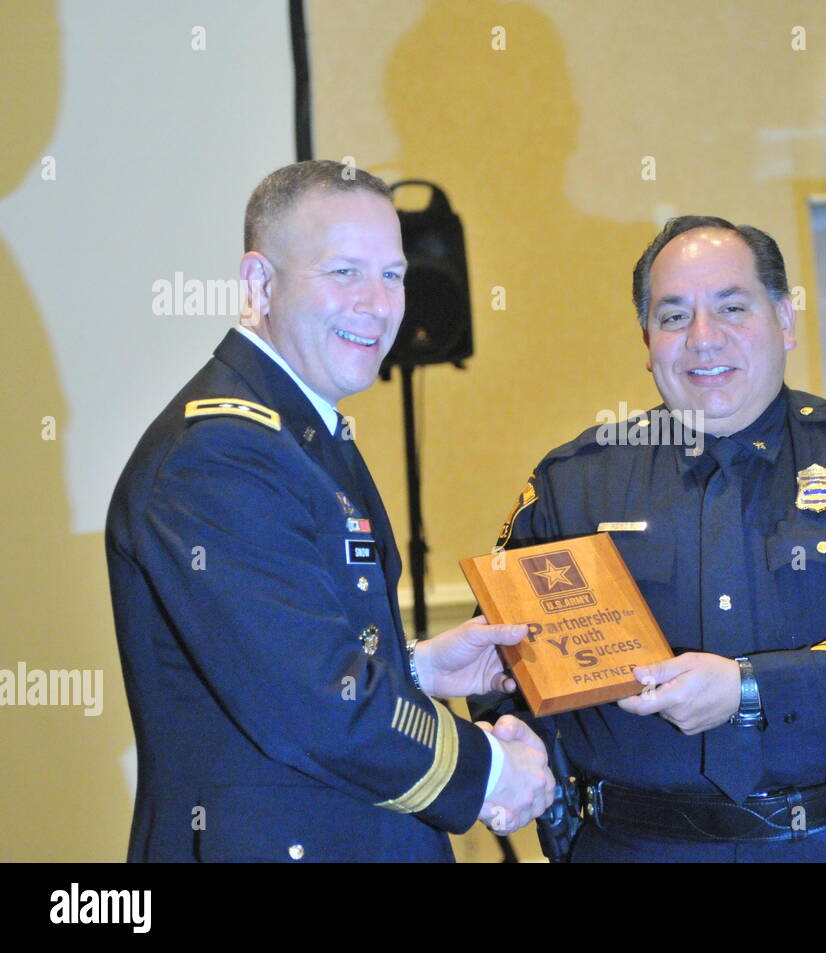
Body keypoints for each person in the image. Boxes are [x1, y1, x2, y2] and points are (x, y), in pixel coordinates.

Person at [490, 216, 826, 861]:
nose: (703, 339)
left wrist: (755, 688)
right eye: (674, 317)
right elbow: (506, 655)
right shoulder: (575, 484)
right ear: (648, 342)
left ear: (785, 321)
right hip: (636, 846)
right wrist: (515, 742)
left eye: (731, 307)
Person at [106, 159, 552, 862]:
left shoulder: (299, 430)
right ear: (260, 284)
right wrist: (491, 771)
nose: (378, 304)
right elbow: (312, 703)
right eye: (344, 272)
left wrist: (417, 668)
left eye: (393, 275)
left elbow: (287, 654)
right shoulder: (219, 454)